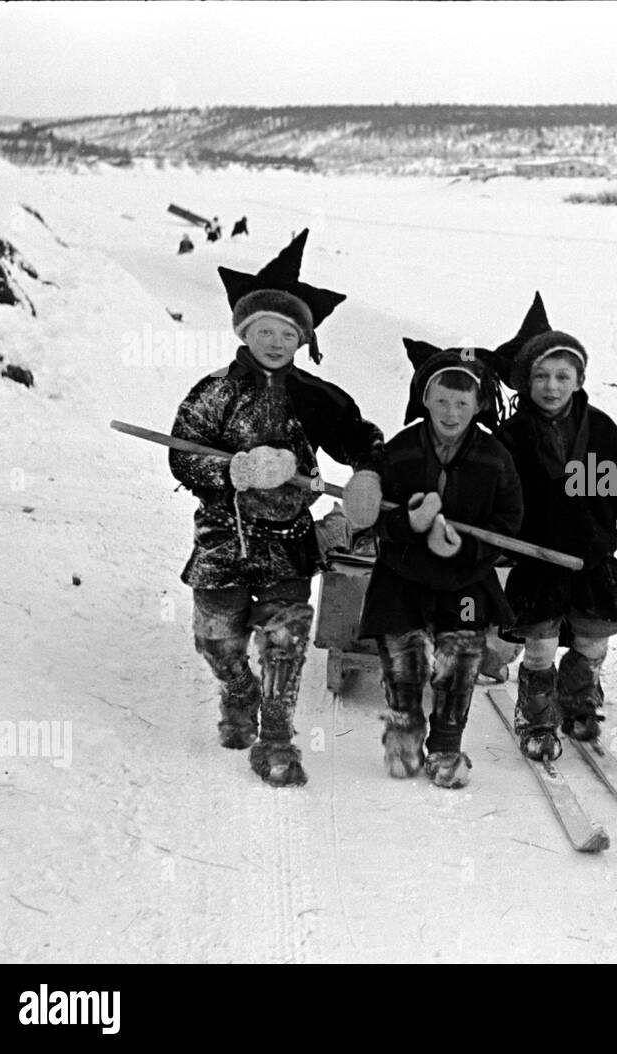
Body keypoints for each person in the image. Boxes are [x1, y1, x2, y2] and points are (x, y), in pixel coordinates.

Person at [169, 229, 383, 787]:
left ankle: (276, 739)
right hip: (223, 533)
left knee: (284, 640)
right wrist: (232, 471)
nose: (273, 341)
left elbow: (361, 438)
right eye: (263, 330)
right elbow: (181, 457)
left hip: (287, 540)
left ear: (301, 340)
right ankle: (238, 690)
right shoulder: (214, 392)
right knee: (216, 637)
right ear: (245, 331)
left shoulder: (315, 396)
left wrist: (368, 471)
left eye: (285, 333)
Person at [340, 341, 522, 788]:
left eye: (462, 402)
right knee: (404, 661)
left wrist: (464, 548)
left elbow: (508, 521)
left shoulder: (495, 458)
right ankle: (403, 730)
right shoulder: (400, 451)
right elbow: (376, 520)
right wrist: (406, 522)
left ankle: (445, 746)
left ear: (478, 405)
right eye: (440, 399)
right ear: (423, 399)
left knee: (459, 663)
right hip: (402, 575)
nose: (451, 411)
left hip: (464, 580)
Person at [492, 293, 617, 760]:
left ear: (579, 380)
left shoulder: (603, 433)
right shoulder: (512, 438)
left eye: (562, 376)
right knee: (541, 645)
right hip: (538, 558)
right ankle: (537, 718)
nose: (551, 386)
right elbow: (497, 499)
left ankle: (579, 704)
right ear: (527, 381)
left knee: (591, 642)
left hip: (590, 557)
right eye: (542, 376)